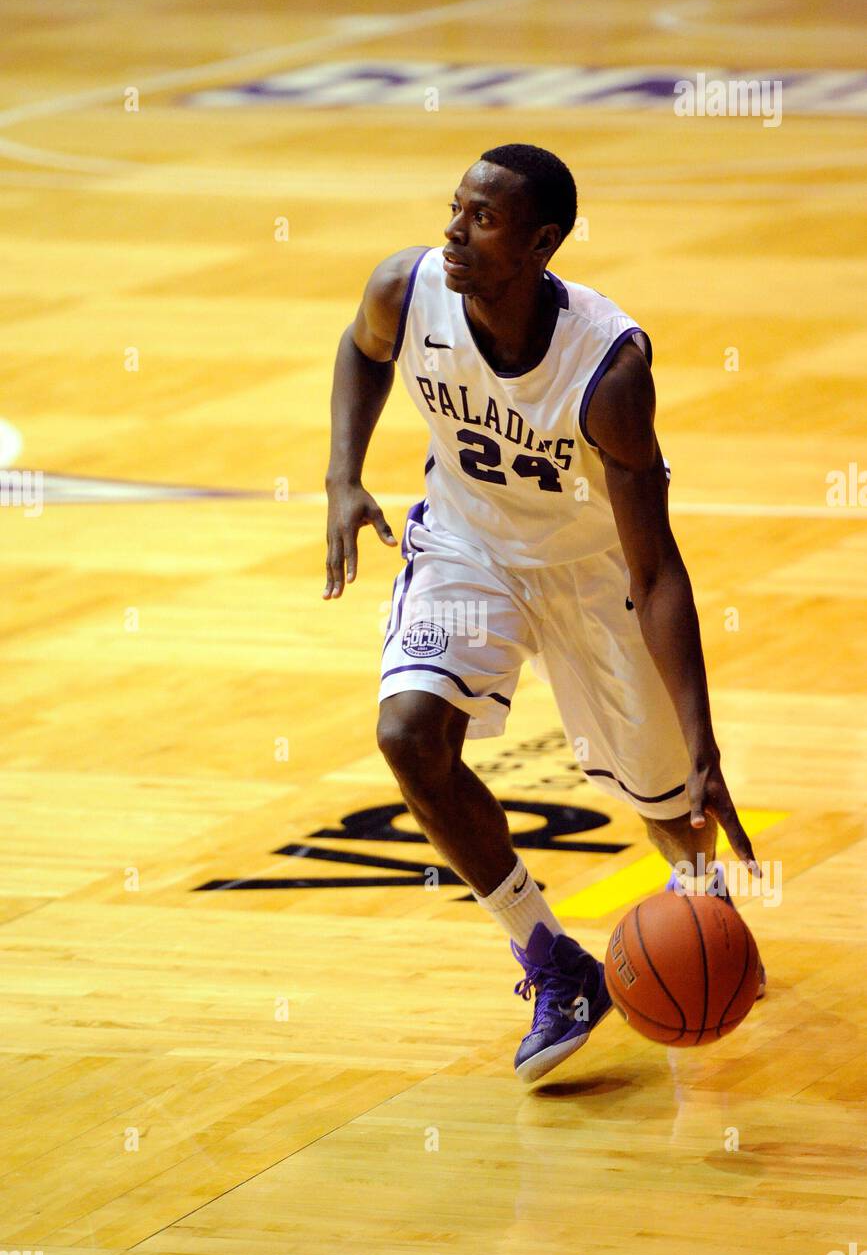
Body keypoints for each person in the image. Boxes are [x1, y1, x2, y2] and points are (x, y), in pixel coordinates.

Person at [324, 143, 763, 1083]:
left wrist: (702, 741)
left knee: (668, 811)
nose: (452, 230)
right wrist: (340, 478)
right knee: (408, 736)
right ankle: (553, 960)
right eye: (454, 208)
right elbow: (361, 351)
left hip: (589, 571)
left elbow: (658, 569)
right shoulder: (407, 291)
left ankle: (702, 917)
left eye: (481, 219)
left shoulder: (607, 371)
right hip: (466, 546)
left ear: (541, 243)